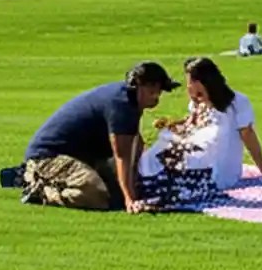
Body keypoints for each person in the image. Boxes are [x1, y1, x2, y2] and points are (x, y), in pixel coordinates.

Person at [21, 61, 181, 213]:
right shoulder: (121, 104)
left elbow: (135, 143)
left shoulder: (129, 102)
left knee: (121, 191)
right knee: (96, 194)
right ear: (138, 85)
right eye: (152, 88)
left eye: (159, 89)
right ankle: (41, 190)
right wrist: (130, 200)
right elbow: (122, 156)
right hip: (48, 157)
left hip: (84, 157)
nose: (157, 94)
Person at [138, 57, 262, 197]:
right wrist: (174, 124)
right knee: (162, 150)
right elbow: (192, 125)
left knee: (168, 162)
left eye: (190, 81)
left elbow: (248, 135)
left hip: (219, 167)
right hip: (198, 153)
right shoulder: (197, 102)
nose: (188, 87)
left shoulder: (237, 102)